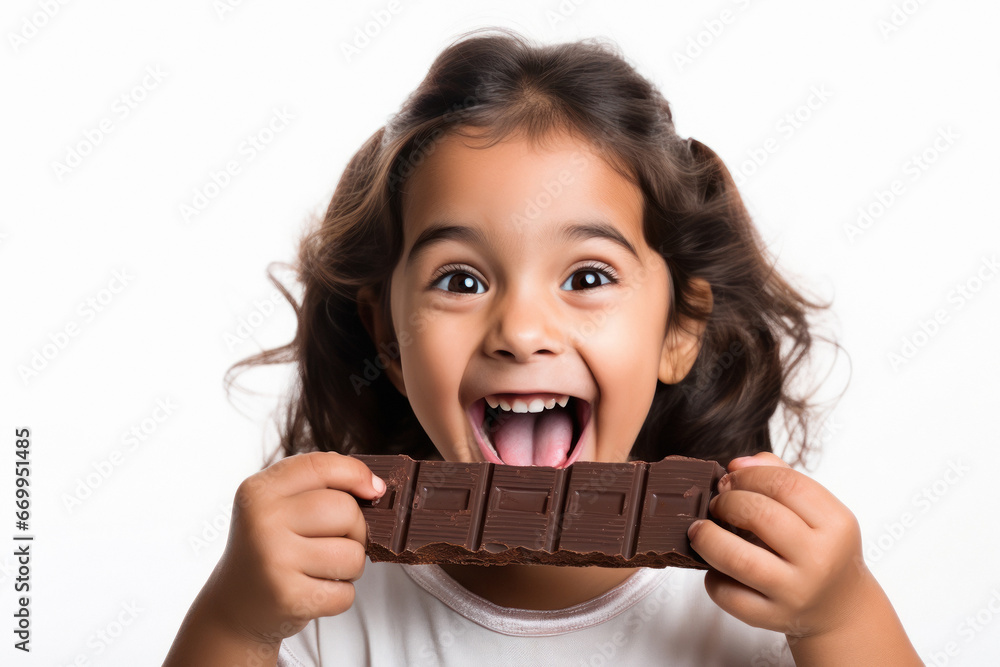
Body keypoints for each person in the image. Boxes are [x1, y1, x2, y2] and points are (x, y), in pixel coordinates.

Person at [164, 27, 921, 666]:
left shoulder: (759, 599)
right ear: (387, 340)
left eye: (587, 276)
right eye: (459, 281)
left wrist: (841, 618)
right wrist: (236, 621)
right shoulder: (320, 606)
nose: (522, 330)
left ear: (679, 329)